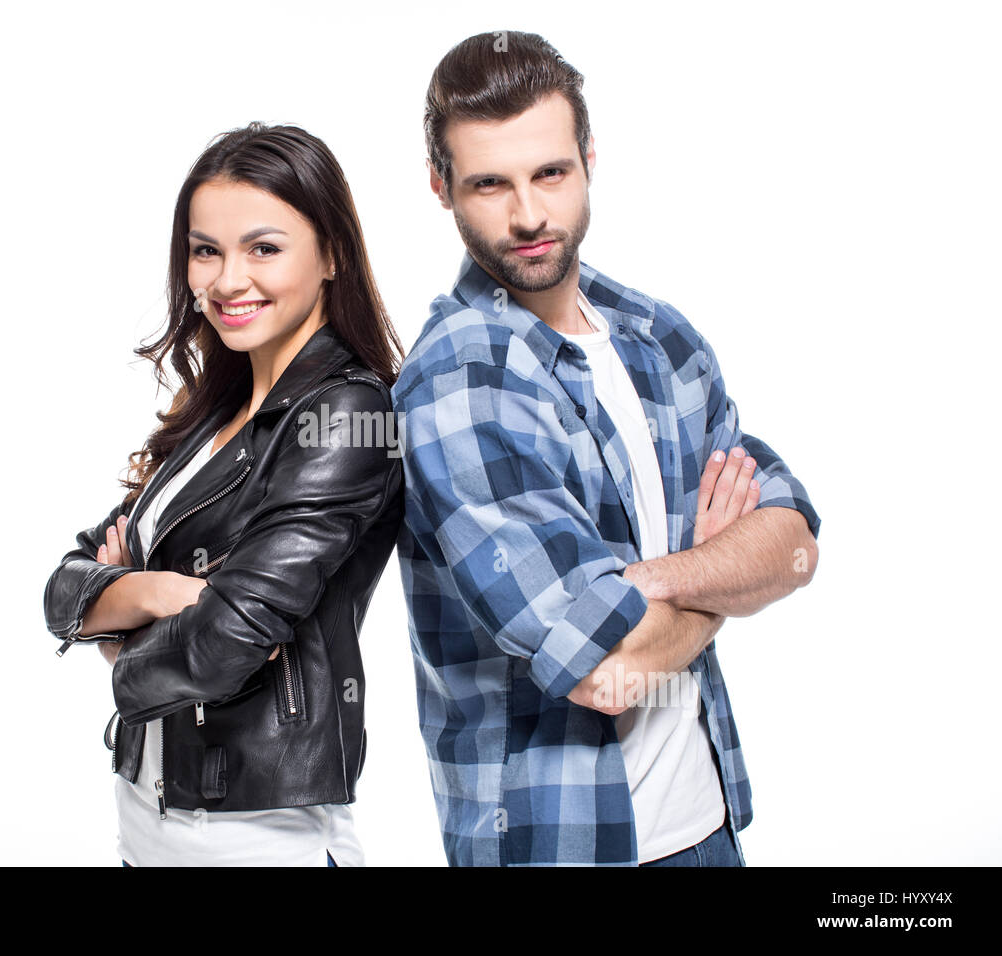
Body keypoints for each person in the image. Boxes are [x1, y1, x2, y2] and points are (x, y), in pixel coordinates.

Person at [392, 31, 822, 866]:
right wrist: (724, 568)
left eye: (549, 172)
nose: (527, 215)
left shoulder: (656, 335)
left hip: (709, 825)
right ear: (441, 189)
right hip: (564, 845)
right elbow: (603, 674)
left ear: (590, 157)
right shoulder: (458, 382)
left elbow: (796, 539)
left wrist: (661, 579)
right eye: (490, 184)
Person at [43, 122, 404, 867]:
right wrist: (151, 591)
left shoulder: (349, 415)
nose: (227, 279)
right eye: (206, 250)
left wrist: (115, 645)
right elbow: (64, 584)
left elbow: (221, 645)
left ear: (332, 252)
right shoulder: (215, 405)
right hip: (149, 822)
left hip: (257, 837)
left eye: (263, 248)